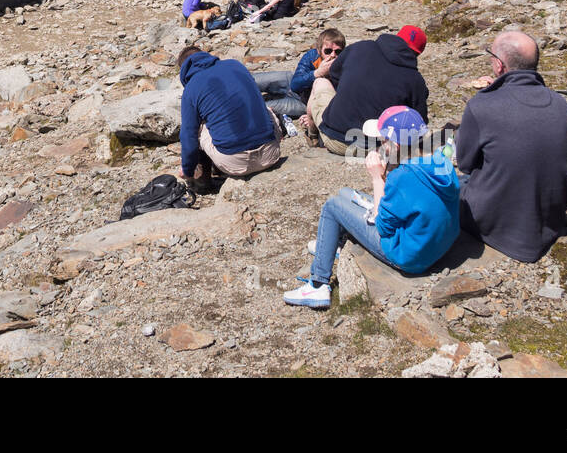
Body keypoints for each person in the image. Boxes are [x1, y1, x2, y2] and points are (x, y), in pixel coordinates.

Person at [284, 106, 459, 309]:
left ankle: (318, 284)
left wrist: (378, 177)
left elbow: (383, 227)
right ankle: (331, 244)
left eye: (383, 140)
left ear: (395, 145)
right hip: (436, 244)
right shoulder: (439, 161)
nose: (381, 144)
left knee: (333, 206)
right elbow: (411, 204)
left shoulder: (402, 176)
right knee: (346, 194)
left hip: (410, 255)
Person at [455, 31, 567, 263]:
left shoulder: (482, 105)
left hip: (498, 227)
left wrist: (487, 98)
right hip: (550, 219)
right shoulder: (559, 103)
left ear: (499, 65)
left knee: (448, 184)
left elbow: (465, 163)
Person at [177, 46, 281, 191]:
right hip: (271, 153)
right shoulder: (236, 65)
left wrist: (187, 171)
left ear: (183, 69)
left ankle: (201, 182)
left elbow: (188, 136)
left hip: (235, 164)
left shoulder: (191, 88)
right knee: (265, 109)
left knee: (198, 127)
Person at [318, 25, 430, 156]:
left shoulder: (360, 47)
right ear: (417, 53)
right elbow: (418, 124)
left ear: (396, 37)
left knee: (320, 82)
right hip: (379, 149)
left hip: (336, 140)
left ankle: (314, 135)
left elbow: (334, 73)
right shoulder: (416, 80)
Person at [293, 28, 347, 146]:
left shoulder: (346, 64)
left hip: (306, 102)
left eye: (338, 52)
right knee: (263, 81)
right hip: (302, 87)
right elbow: (295, 85)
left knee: (271, 104)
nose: (333, 55)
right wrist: (318, 73)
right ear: (318, 50)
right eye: (328, 51)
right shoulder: (312, 56)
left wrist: (312, 115)